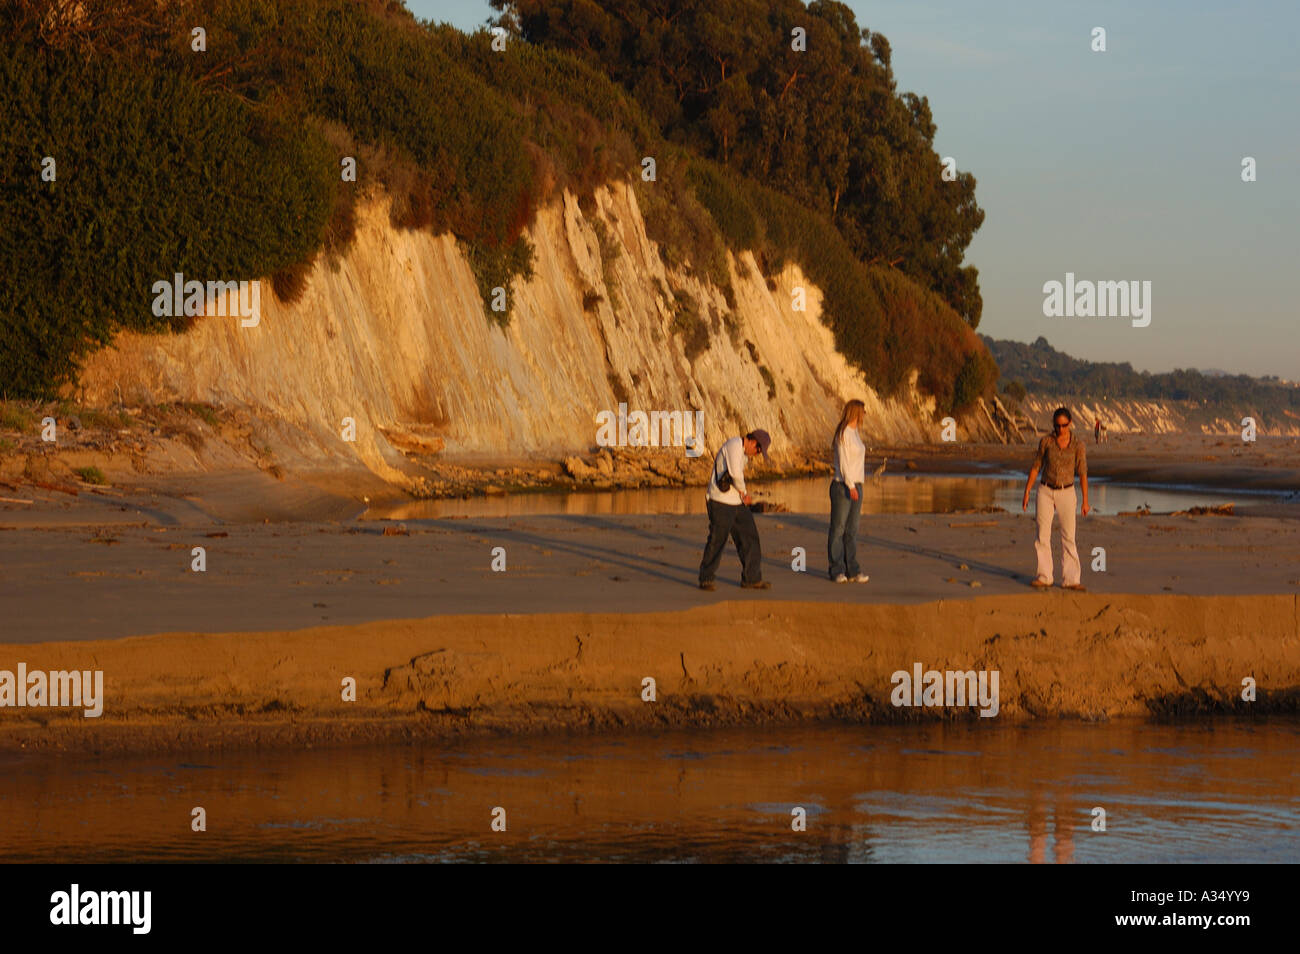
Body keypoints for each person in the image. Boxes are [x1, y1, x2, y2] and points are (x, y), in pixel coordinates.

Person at [1022, 407, 1090, 590]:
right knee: (1042, 535)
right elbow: (1036, 466)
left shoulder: (1078, 445)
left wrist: (1085, 500)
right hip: (1045, 490)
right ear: (1053, 424)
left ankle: (1071, 579)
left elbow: (1082, 472)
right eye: (1057, 425)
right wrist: (1027, 491)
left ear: (1070, 423)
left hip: (1067, 492)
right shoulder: (1046, 442)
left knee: (1069, 536)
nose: (1061, 429)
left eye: (1064, 425)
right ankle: (1044, 576)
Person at [698, 429, 772, 591]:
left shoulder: (743, 453)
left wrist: (741, 496)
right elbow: (736, 475)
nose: (758, 454)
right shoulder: (734, 445)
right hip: (719, 500)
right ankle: (706, 578)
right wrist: (745, 494)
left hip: (735, 502)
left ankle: (751, 579)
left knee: (750, 537)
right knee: (718, 539)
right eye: (759, 450)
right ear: (753, 442)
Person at [828, 399, 870, 583]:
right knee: (838, 528)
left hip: (857, 485)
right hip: (843, 486)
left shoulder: (855, 433)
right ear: (856, 412)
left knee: (852, 530)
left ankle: (852, 569)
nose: (865, 415)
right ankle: (837, 569)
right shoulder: (843, 433)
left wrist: (857, 486)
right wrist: (851, 485)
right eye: (863, 411)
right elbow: (844, 463)